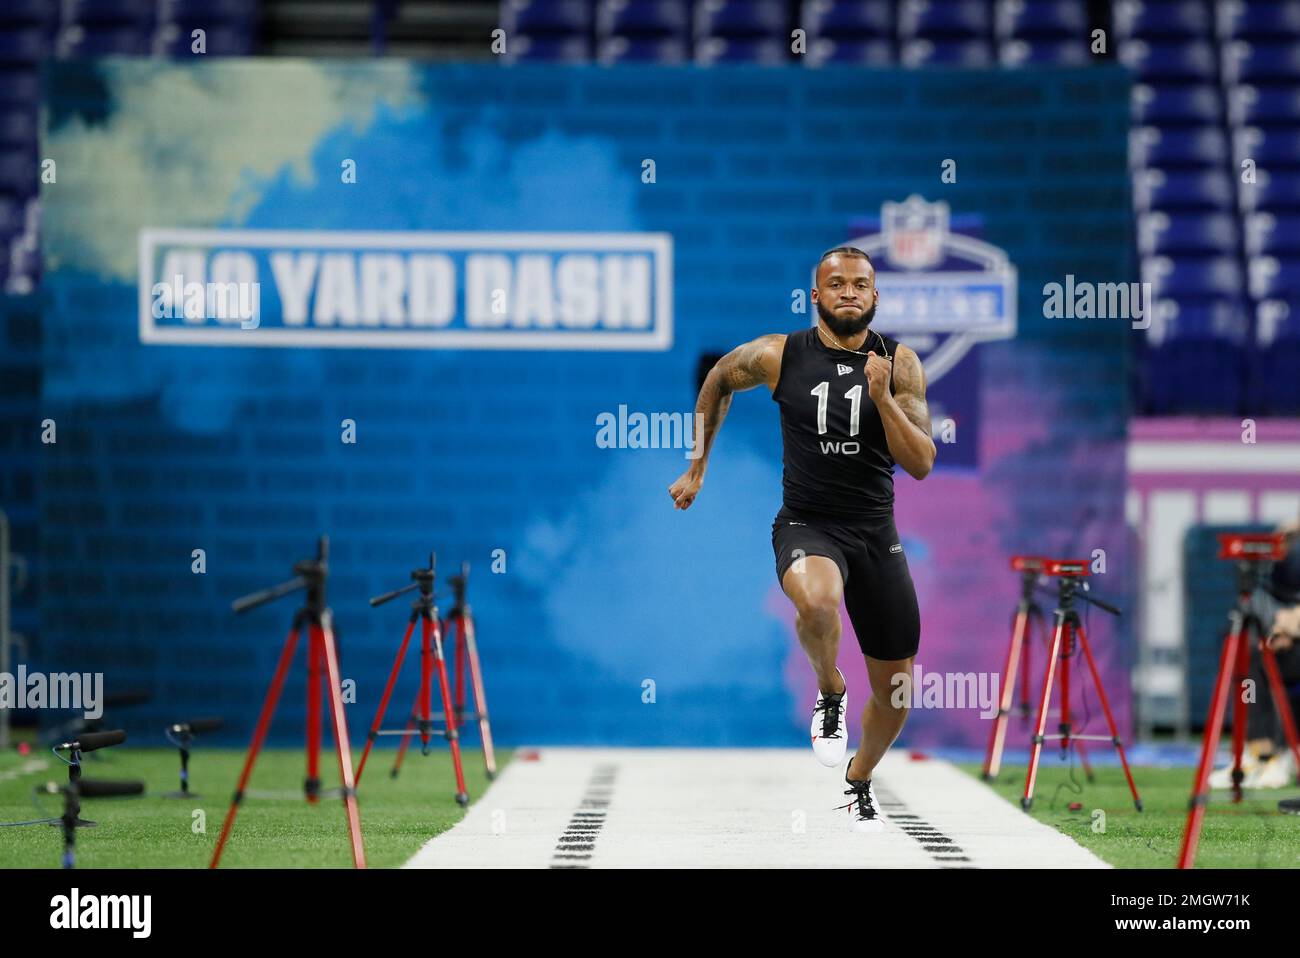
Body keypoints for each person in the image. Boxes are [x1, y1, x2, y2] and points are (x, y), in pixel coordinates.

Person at [668, 247, 935, 831]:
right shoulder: (779, 354)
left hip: (875, 534)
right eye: (834, 284)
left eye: (859, 284)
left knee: (895, 698)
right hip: (808, 522)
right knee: (815, 600)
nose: (847, 292)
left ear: (875, 296)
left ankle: (859, 777)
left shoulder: (902, 363)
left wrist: (884, 397)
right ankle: (830, 687)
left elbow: (921, 463)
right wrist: (697, 465)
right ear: (815, 296)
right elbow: (718, 379)